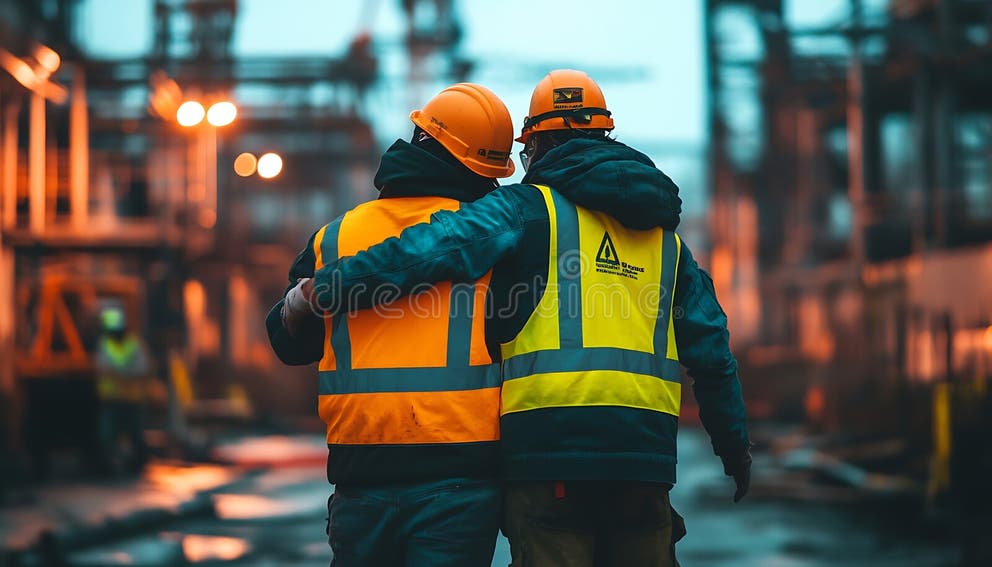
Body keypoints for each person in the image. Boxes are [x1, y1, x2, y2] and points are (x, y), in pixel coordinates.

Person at [291, 69, 752, 567]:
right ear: (606, 133)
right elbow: (713, 355)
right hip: (644, 461)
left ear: (535, 145)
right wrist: (735, 449)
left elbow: (430, 249)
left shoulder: (524, 211)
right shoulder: (668, 242)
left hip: (546, 459)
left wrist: (329, 287)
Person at [267, 83, 516, 566]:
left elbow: (289, 344)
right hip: (460, 482)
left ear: (420, 139)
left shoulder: (335, 238)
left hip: (361, 476)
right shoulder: (491, 242)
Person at [94, 306, 152, 473]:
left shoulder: (133, 345)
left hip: (130, 399)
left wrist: (120, 374)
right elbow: (101, 369)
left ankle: (136, 464)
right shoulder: (105, 345)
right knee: (108, 436)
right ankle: (108, 466)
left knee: (134, 434)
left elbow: (142, 369)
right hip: (112, 399)